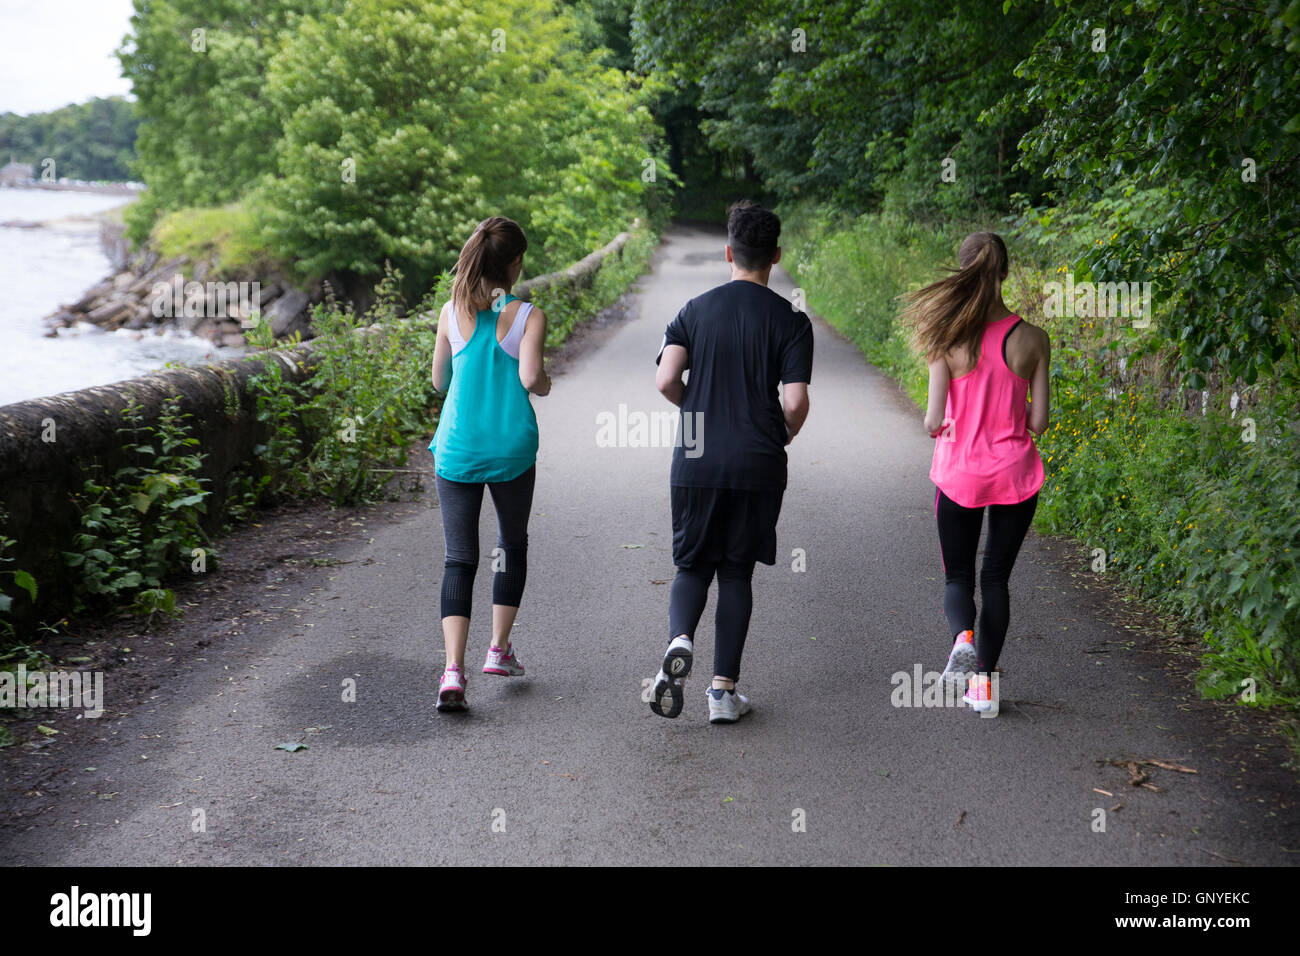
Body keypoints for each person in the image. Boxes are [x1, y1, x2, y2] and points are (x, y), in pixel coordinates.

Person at [650, 201, 813, 724]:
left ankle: (679, 639)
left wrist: (698, 410)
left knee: (691, 564)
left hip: (696, 455)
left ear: (728, 252)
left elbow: (666, 380)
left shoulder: (693, 310)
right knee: (737, 572)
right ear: (777, 256)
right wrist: (775, 435)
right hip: (757, 460)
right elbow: (794, 403)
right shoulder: (791, 322)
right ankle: (722, 693)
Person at [902, 231, 1049, 714]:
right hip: (1013, 474)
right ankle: (984, 688)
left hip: (959, 472)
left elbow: (931, 418)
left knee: (958, 576)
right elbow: (1039, 422)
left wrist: (943, 425)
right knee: (996, 579)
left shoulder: (946, 336)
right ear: (1005, 273)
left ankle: (962, 637)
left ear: (962, 271)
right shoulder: (1033, 339)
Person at [429, 216, 551, 712]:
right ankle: (498, 650)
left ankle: (452, 671)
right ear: (516, 264)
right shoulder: (527, 316)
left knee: (460, 558)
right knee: (511, 544)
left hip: (457, 450)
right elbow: (530, 380)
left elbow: (439, 382)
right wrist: (546, 380)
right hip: (511, 451)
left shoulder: (449, 312)